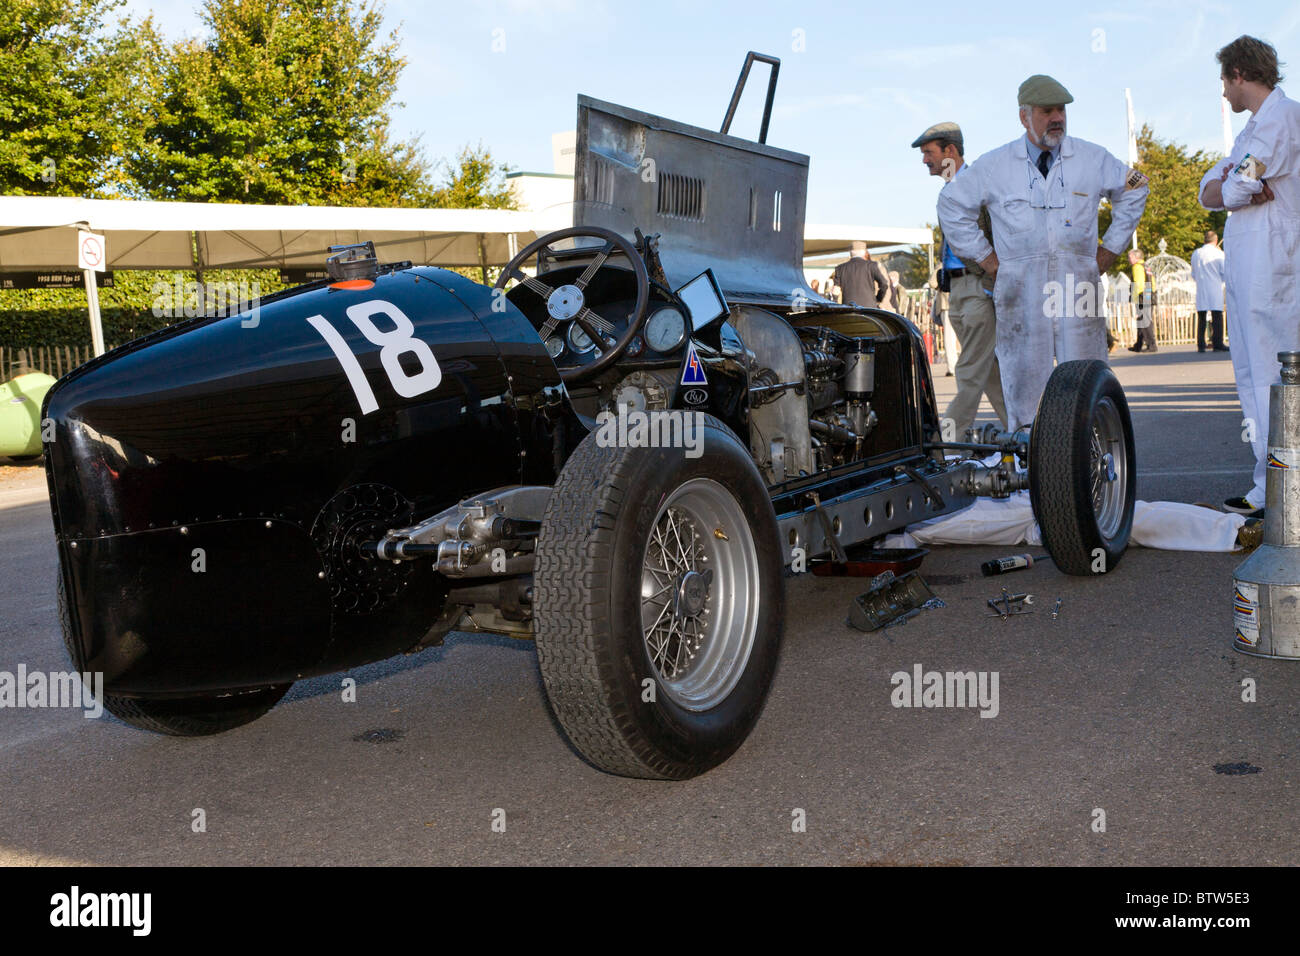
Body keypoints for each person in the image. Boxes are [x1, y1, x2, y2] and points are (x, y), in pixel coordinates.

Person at [937, 75, 1148, 430]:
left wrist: (1109, 250)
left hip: (1078, 286)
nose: (1057, 118)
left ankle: (1089, 471)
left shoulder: (1092, 158)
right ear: (1024, 116)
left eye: (1061, 110)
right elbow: (952, 205)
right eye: (1047, 111)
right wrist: (987, 259)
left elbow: (1136, 186)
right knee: (1024, 389)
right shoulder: (997, 164)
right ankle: (1028, 479)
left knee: (1086, 383)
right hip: (1021, 289)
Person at [1198, 35, 1300, 518]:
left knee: (1273, 378)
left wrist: (1236, 185)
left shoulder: (1281, 119)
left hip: (1272, 271)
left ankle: (1284, 486)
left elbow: (1236, 181)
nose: (1223, 92)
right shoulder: (1254, 129)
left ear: (1239, 73)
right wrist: (1235, 186)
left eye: (1224, 80)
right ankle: (1268, 483)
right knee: (1251, 376)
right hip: (1250, 269)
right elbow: (1210, 188)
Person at [914, 121, 1007, 433]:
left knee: (968, 369)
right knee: (989, 369)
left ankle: (947, 441)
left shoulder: (977, 187)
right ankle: (1026, 431)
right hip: (957, 289)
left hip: (978, 288)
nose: (924, 159)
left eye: (929, 152)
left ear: (950, 151)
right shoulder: (953, 189)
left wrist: (994, 282)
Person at [1190, 230, 1228, 352]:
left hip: (1201, 287)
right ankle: (1217, 343)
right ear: (1216, 240)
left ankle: (1201, 344)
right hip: (1214, 286)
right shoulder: (1218, 253)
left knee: (1201, 317)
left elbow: (1193, 273)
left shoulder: (1196, 253)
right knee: (1217, 316)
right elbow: (1225, 272)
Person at [831, 241, 888, 308]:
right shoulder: (871, 266)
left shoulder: (840, 268)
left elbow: (835, 290)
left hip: (848, 308)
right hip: (869, 308)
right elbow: (884, 284)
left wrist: (835, 303)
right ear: (864, 252)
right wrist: (878, 298)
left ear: (850, 253)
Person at [1126, 248, 1156, 352]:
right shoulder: (1146, 266)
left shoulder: (1137, 267)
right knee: (1143, 321)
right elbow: (1152, 282)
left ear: (1136, 257)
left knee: (1144, 322)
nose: (1128, 259)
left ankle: (1151, 345)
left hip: (1142, 296)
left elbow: (1138, 284)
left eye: (1130, 257)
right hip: (1149, 294)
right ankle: (1138, 345)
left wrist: (1134, 299)